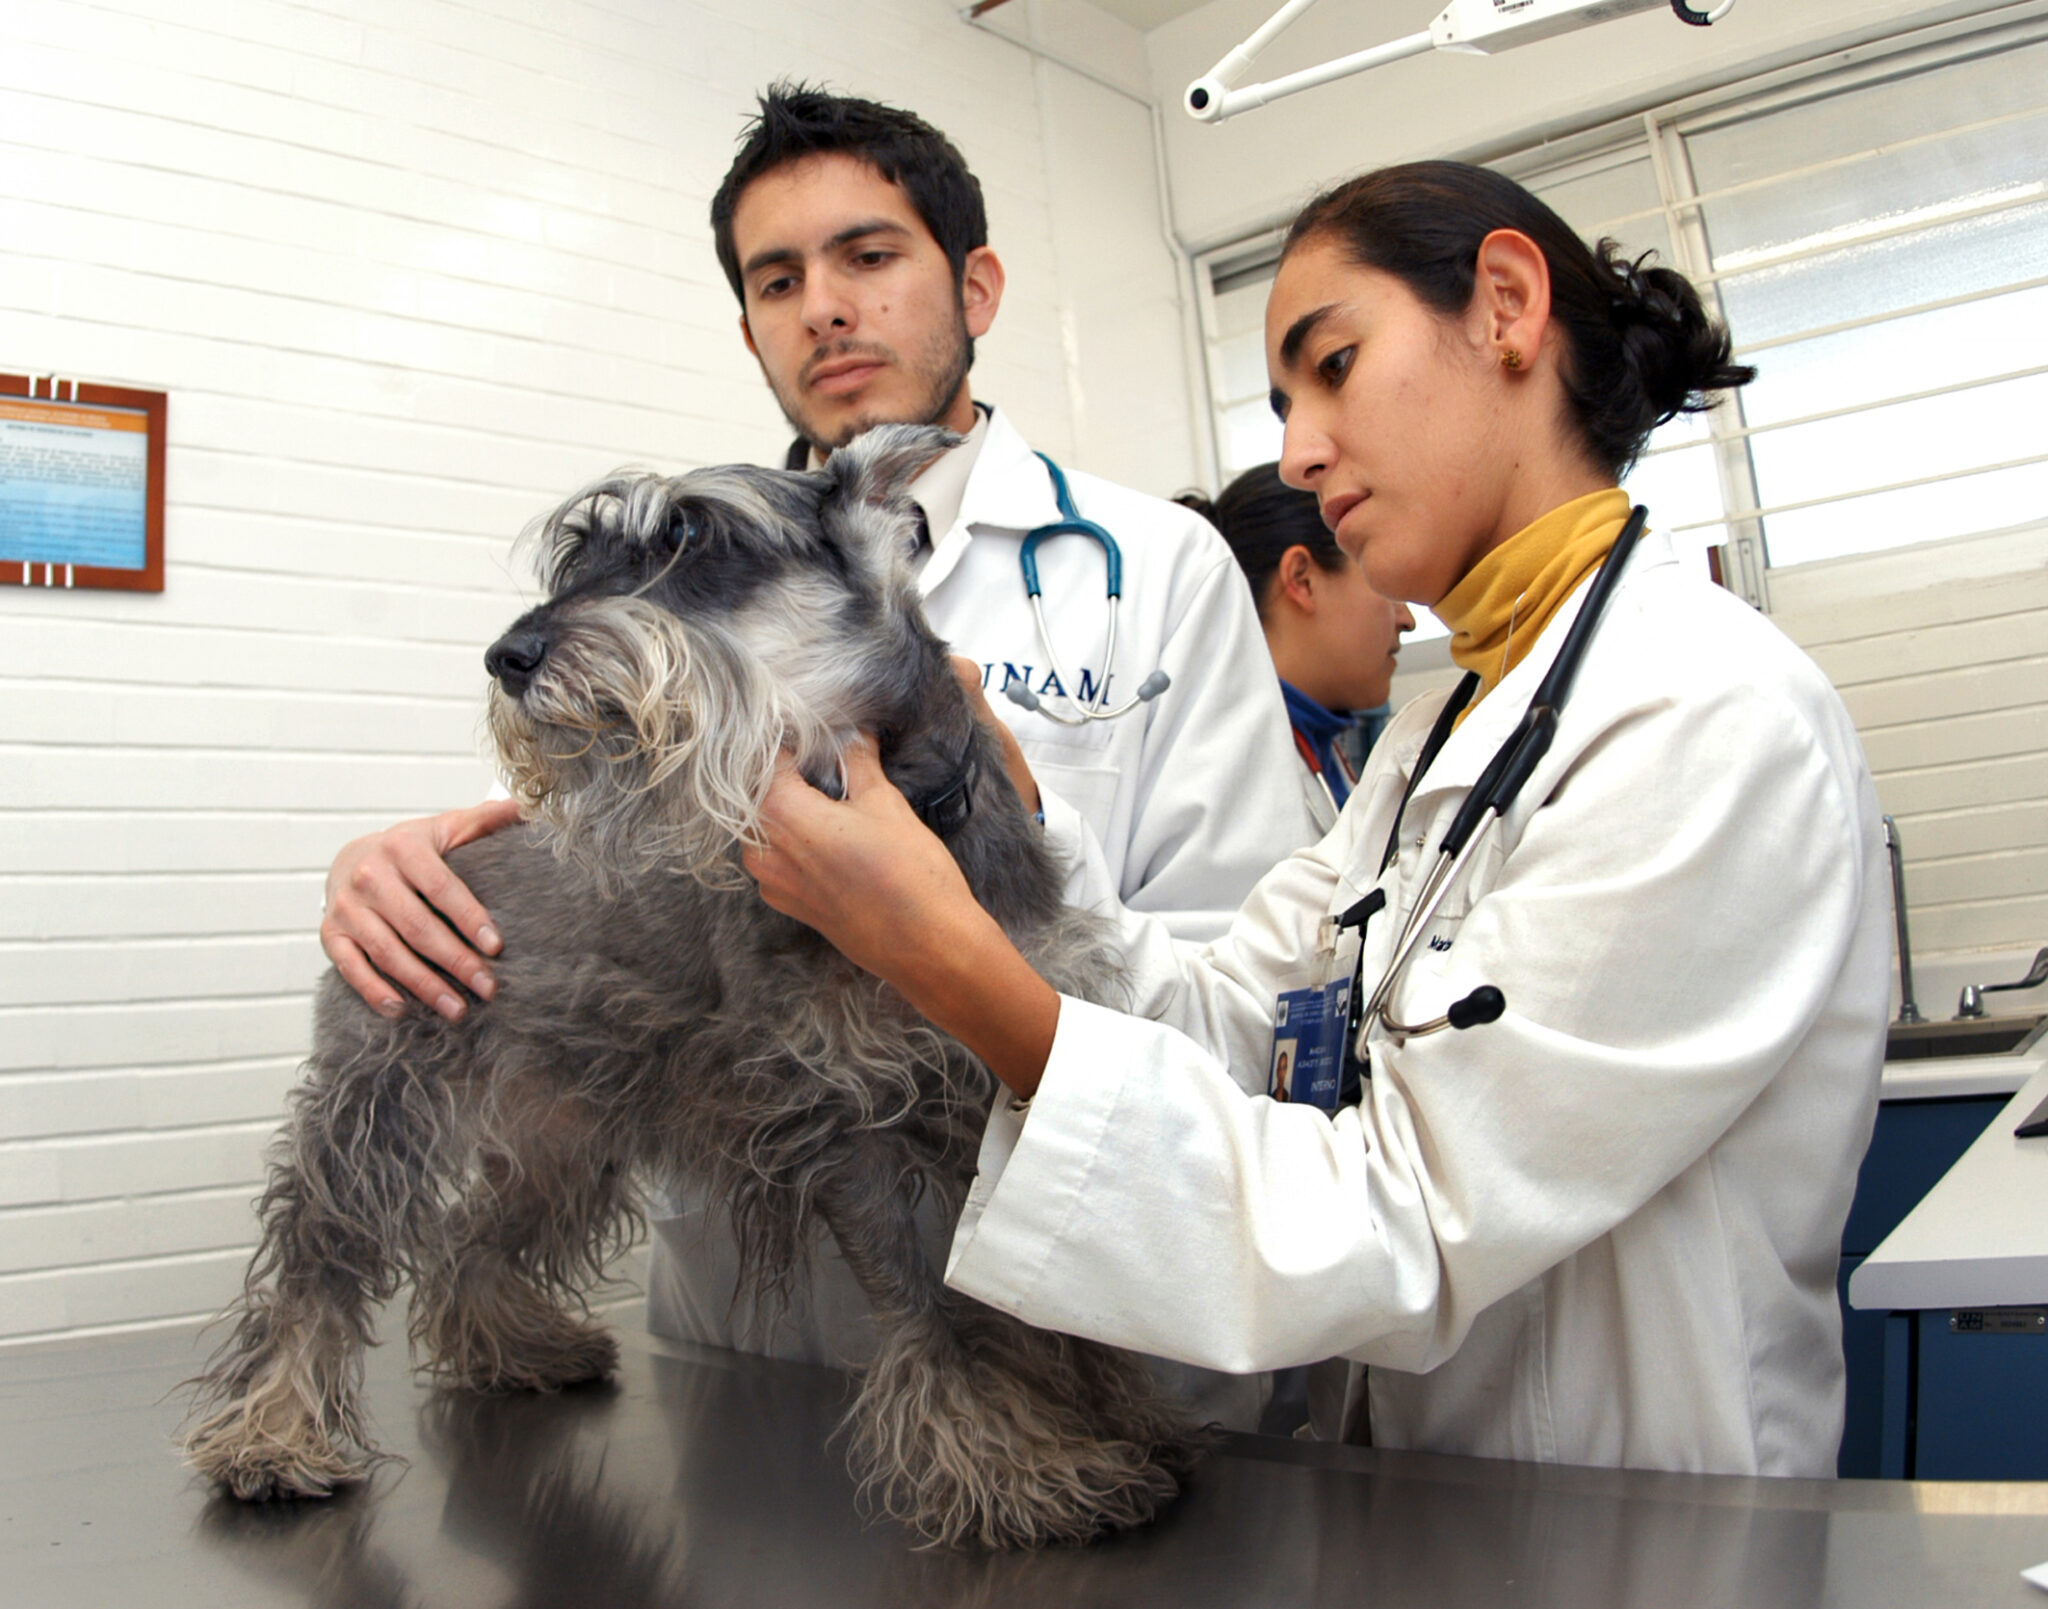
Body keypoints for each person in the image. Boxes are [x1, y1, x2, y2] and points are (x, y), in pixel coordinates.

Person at [742, 160, 1893, 1477]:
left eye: (1333, 366)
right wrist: (1018, 816)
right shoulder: (1434, 739)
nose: (1295, 451)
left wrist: (947, 964)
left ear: (1507, 305)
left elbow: (1404, 1219)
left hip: (1644, 1520)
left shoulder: (1710, 713)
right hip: (1435, 1505)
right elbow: (1233, 1025)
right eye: (1288, 400)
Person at [315, 86, 1319, 1422]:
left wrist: (982, 862)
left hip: (1092, 1312)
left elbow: (1241, 976)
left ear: (976, 283)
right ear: (749, 328)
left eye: (870, 256)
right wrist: (404, 862)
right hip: (754, 1354)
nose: (826, 308)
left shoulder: (1155, 564)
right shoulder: (667, 573)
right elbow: (604, 852)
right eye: (778, 279)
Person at [1182, 463, 1415, 829]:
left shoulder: (1318, 747)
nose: (1407, 619)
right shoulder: (1230, 777)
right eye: (1382, 578)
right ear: (1303, 580)